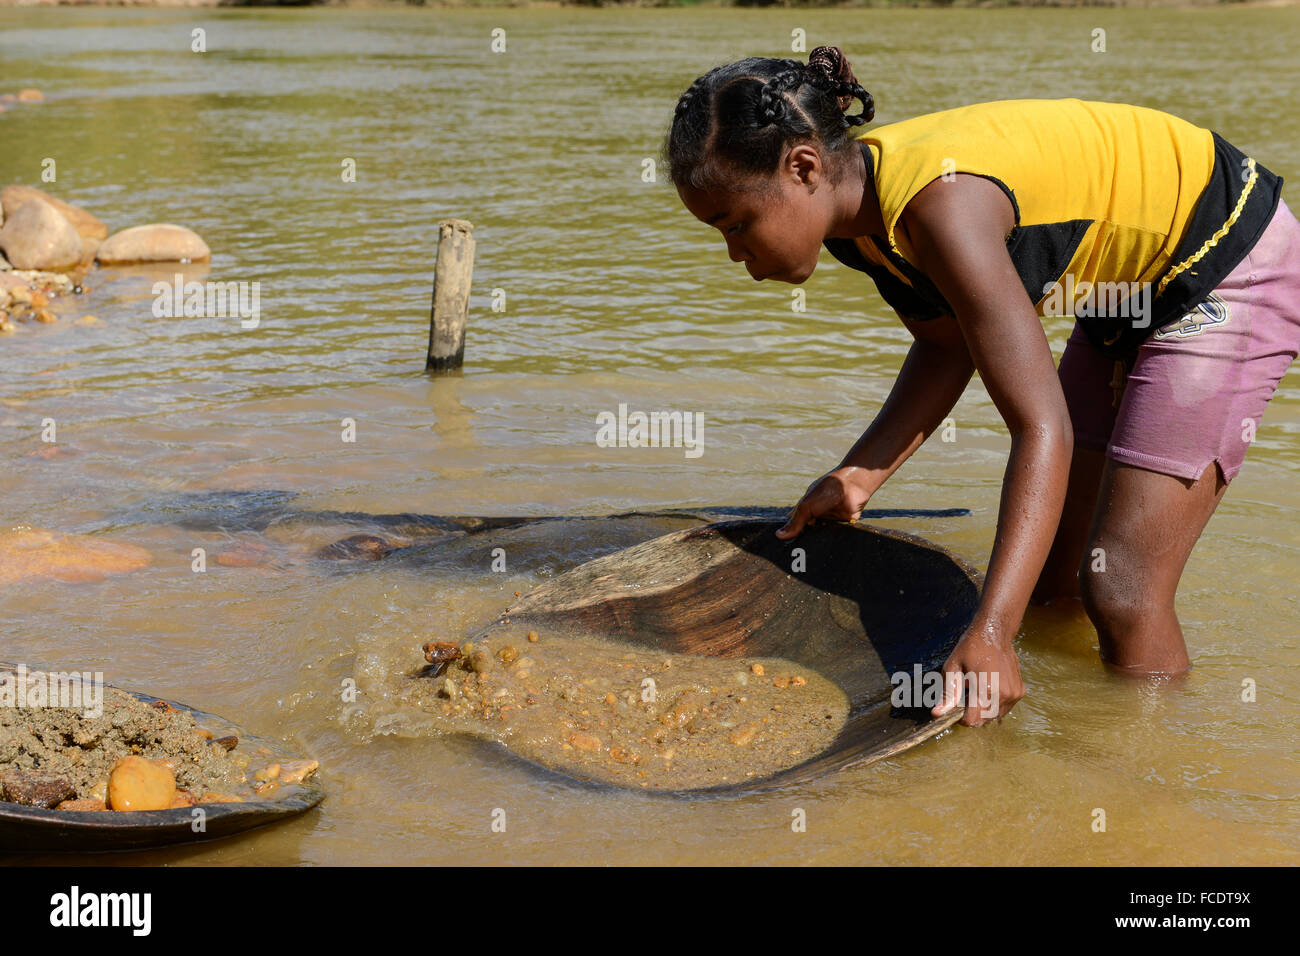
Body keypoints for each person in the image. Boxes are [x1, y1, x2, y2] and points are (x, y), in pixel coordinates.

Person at [662, 46, 1297, 726]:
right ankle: (1067, 737)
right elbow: (944, 344)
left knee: (1121, 590)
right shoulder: (859, 221)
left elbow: (1040, 426)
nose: (735, 252)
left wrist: (990, 634)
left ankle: (1142, 782)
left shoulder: (941, 213)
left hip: (1226, 262)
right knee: (1053, 588)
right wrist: (858, 476)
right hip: (1124, 289)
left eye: (736, 224)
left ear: (805, 166)